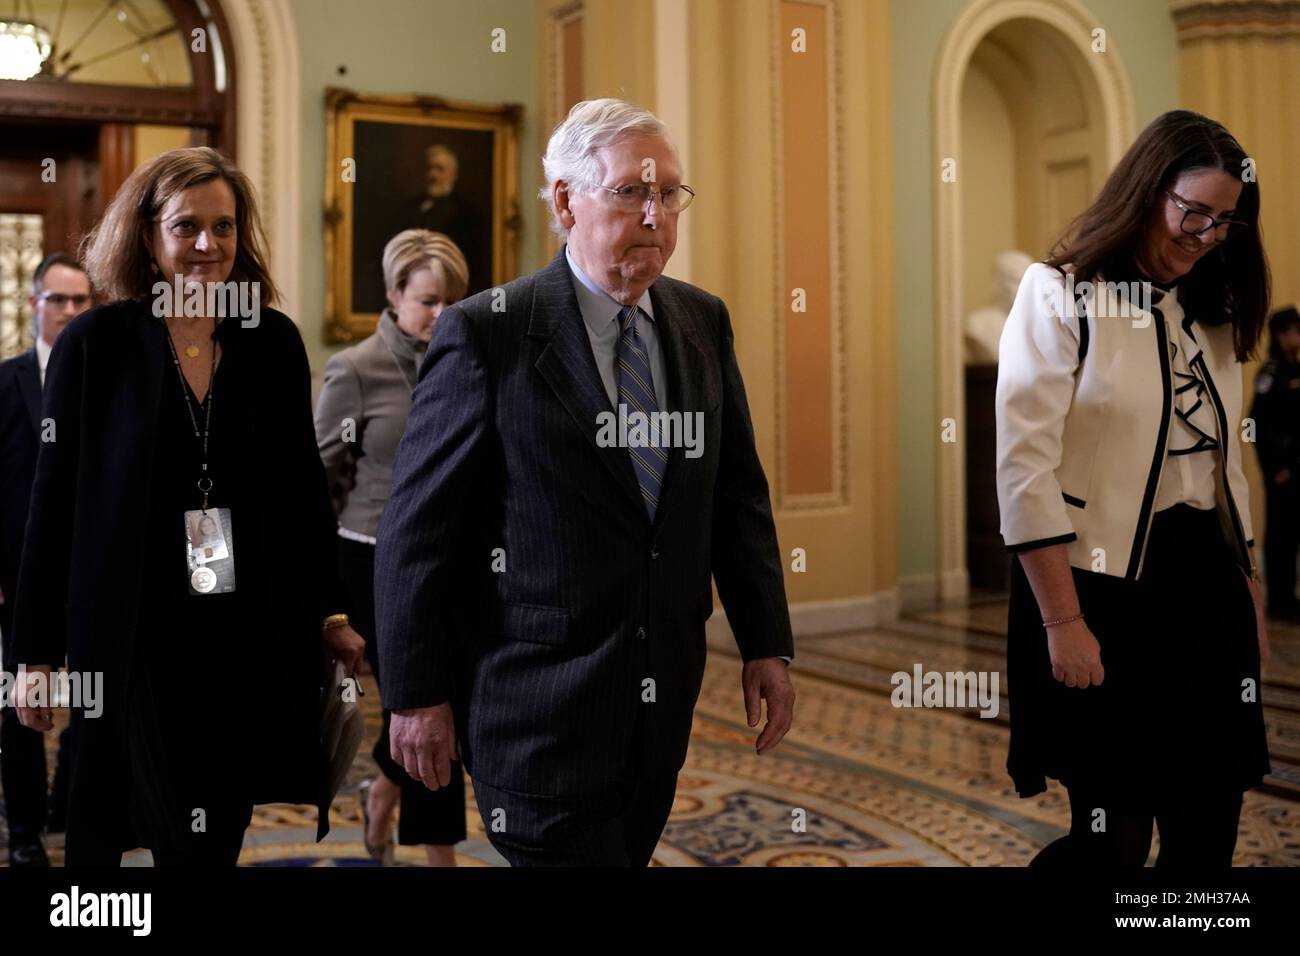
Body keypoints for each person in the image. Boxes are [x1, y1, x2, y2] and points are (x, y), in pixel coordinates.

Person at [374, 98, 796, 866]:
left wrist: (767, 641)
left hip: (658, 706)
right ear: (567, 202)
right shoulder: (489, 330)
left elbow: (736, 494)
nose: (656, 214)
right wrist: (413, 694)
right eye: (632, 191)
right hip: (535, 713)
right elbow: (417, 534)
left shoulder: (702, 321)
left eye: (669, 194)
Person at [10, 146, 365, 867]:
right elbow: (52, 509)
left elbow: (303, 493)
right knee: (115, 814)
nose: (208, 246)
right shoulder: (94, 346)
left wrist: (330, 614)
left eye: (225, 227)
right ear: (147, 236)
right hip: (130, 634)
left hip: (241, 629)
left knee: (215, 820)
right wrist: (36, 655)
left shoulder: (272, 342)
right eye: (187, 227)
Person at [997, 110, 1272, 867]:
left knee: (1208, 820)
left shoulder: (1211, 311)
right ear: (1149, 191)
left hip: (1204, 583)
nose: (1205, 235)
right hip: (1099, 589)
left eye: (1224, 222)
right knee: (1113, 832)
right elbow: (1023, 470)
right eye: (1193, 212)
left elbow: (1225, 469)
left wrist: (1249, 586)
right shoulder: (1058, 295)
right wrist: (1062, 621)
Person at [314, 229, 471, 866]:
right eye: (430, 300)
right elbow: (314, 484)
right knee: (426, 699)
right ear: (394, 295)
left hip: (453, 563)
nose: (443, 315)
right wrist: (323, 604)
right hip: (371, 561)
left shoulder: (469, 358)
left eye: (454, 302)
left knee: (449, 703)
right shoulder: (356, 368)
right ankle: (441, 860)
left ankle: (383, 789)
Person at [0, 253, 90, 866]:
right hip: (17, 573)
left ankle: (72, 806)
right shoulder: (5, 381)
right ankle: (26, 831)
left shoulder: (106, 376)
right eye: (57, 300)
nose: (69, 312)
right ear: (35, 305)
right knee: (20, 707)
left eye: (81, 301)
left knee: (93, 699)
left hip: (90, 571)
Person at [1249, 305, 1300, 622]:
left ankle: (1289, 597)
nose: (1297, 336)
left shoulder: (1295, 370)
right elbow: (1254, 424)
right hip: (1281, 472)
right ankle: (1278, 601)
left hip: (1296, 467)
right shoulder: (1270, 374)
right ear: (1280, 334)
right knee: (1280, 535)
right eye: (1292, 330)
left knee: (1292, 534)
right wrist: (1273, 468)